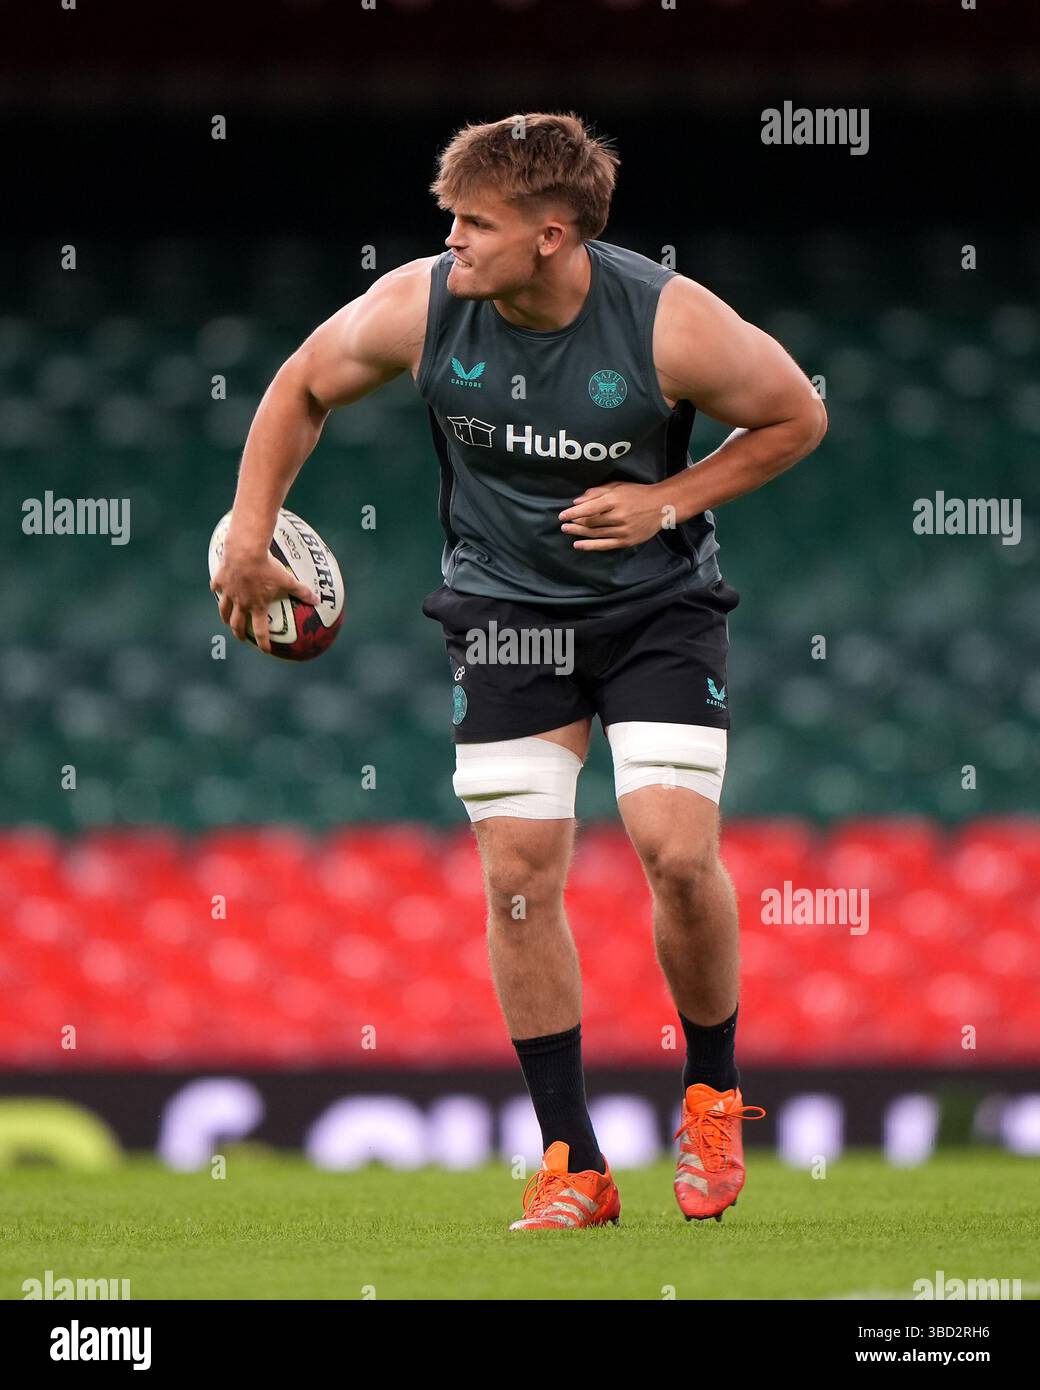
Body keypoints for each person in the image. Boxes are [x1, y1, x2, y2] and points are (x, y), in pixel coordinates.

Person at [211, 111, 827, 1230]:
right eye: (449, 216)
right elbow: (299, 385)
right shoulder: (422, 302)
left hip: (658, 612)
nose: (450, 239)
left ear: (552, 234)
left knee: (674, 852)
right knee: (519, 875)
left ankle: (712, 1090)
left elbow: (796, 414)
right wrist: (252, 532)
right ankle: (573, 1162)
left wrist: (667, 499)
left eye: (474, 222)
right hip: (502, 613)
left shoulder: (669, 325)